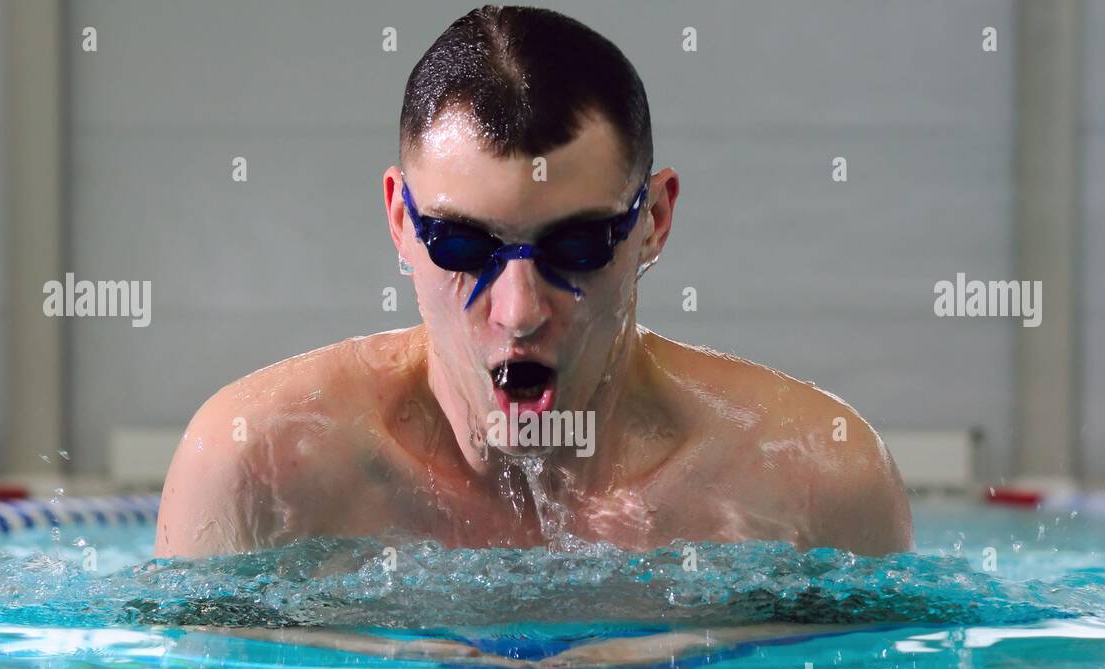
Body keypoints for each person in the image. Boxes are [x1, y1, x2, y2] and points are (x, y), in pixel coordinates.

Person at [156, 5, 912, 559]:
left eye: (578, 244)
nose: (518, 311)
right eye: (460, 243)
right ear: (399, 220)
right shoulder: (256, 467)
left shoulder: (814, 481)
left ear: (653, 221)